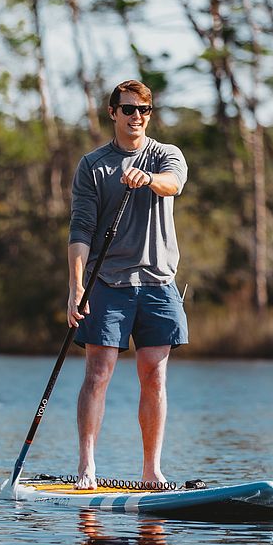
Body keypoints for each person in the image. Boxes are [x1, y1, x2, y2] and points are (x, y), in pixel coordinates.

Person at [67, 80, 188, 490]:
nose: (137, 116)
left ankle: (151, 470)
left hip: (158, 282)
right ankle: (86, 467)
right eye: (129, 109)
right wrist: (76, 287)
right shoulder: (93, 165)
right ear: (112, 112)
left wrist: (149, 179)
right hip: (109, 282)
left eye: (145, 110)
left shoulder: (166, 155)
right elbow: (81, 229)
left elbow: (173, 183)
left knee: (154, 375)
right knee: (98, 374)